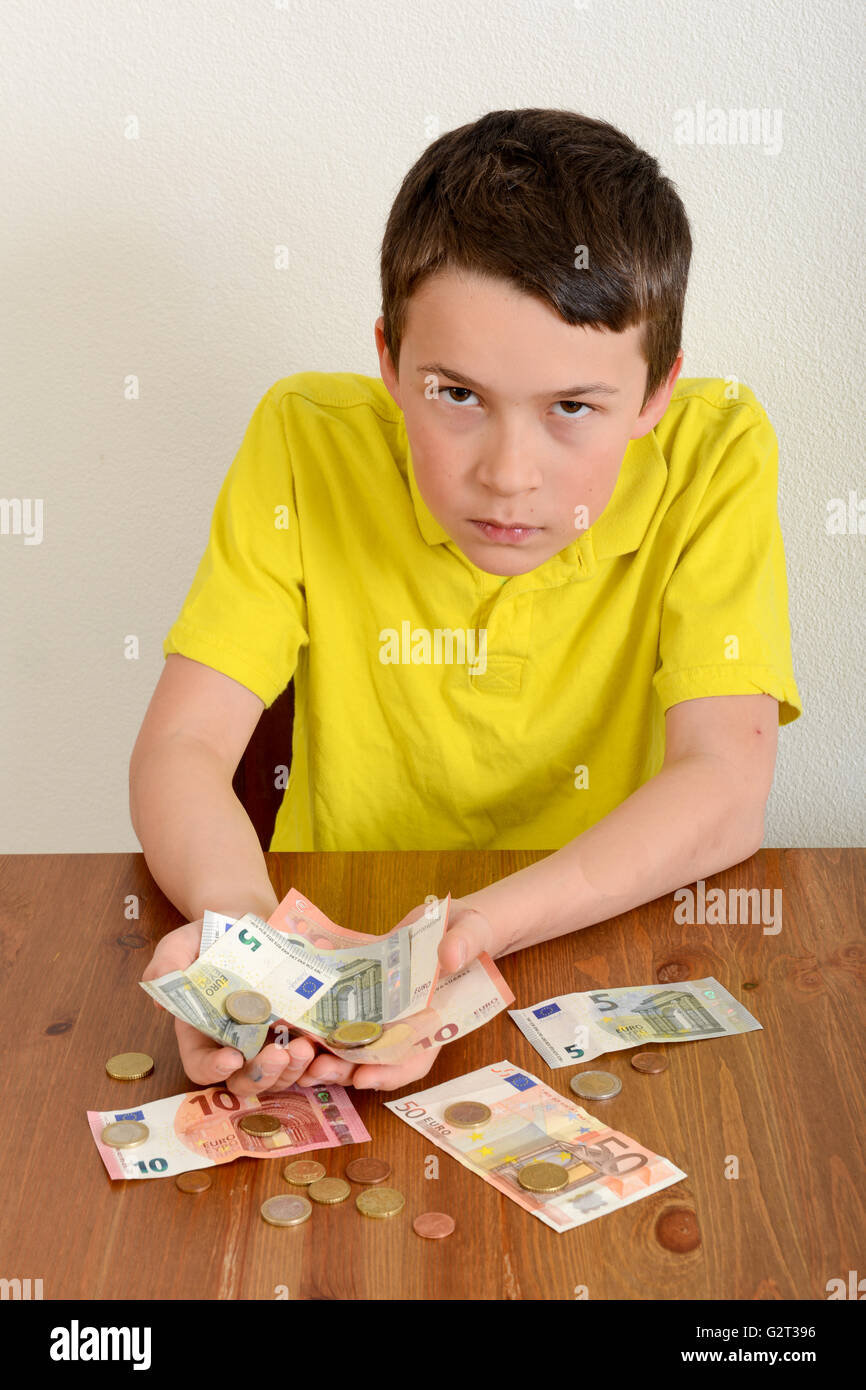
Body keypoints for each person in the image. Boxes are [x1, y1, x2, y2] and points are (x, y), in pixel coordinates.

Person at [130, 108, 801, 1099]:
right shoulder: (300, 438)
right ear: (389, 361)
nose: (508, 475)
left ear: (656, 393)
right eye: (454, 394)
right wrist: (247, 940)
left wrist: (466, 934)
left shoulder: (717, 453)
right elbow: (181, 744)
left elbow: (726, 786)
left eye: (571, 407)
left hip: (588, 940)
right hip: (340, 919)